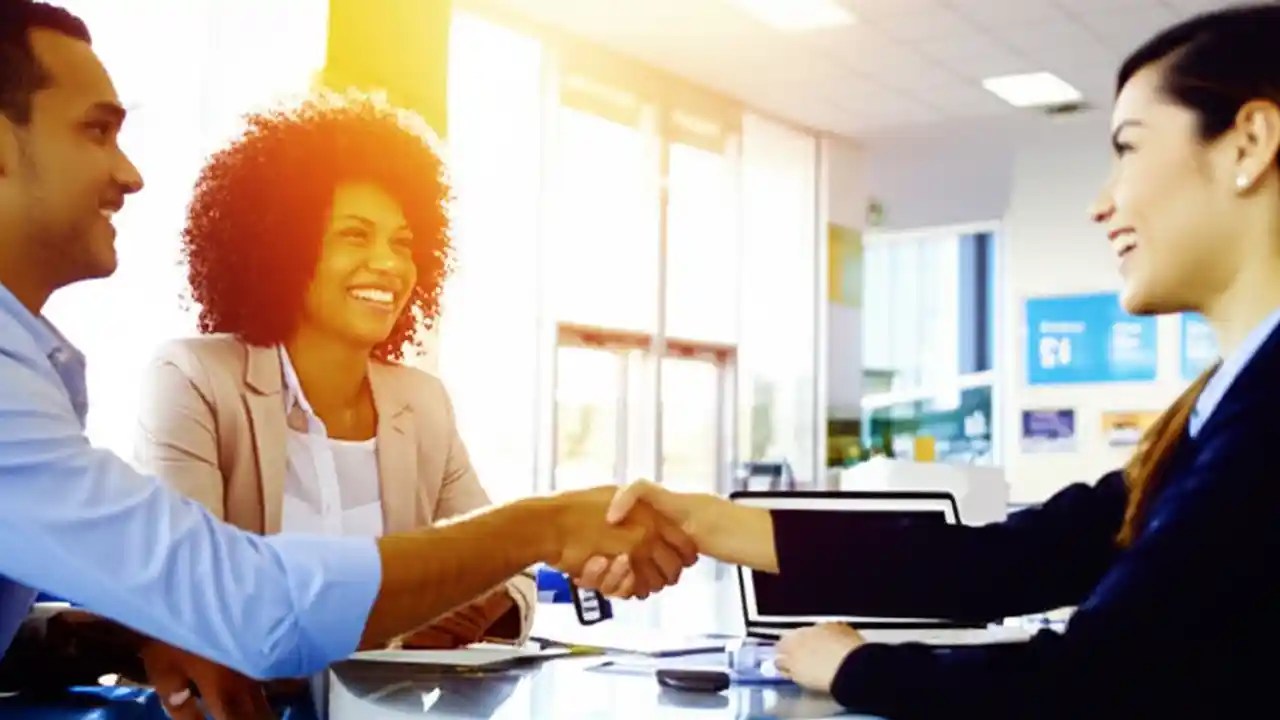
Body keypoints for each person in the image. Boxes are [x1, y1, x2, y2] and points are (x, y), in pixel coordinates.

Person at [585, 4, 1280, 718]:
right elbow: (1005, 562)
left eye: (1127, 149)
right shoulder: (1227, 407)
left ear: (1249, 143)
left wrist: (860, 668)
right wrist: (706, 523)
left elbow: (1095, 680)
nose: (1101, 204)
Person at [0, 3, 693, 717]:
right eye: (97, 130)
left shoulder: (420, 401)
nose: (130, 173)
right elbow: (234, 603)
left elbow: (92, 613)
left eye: (403, 242)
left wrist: (120, 642)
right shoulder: (180, 378)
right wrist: (544, 526)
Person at [129, 91, 536, 712]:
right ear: (282, 245)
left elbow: (511, 574)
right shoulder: (194, 378)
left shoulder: (421, 403)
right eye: (355, 235)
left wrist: (484, 605)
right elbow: (196, 594)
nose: (389, 264)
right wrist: (398, 623)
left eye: (403, 242)